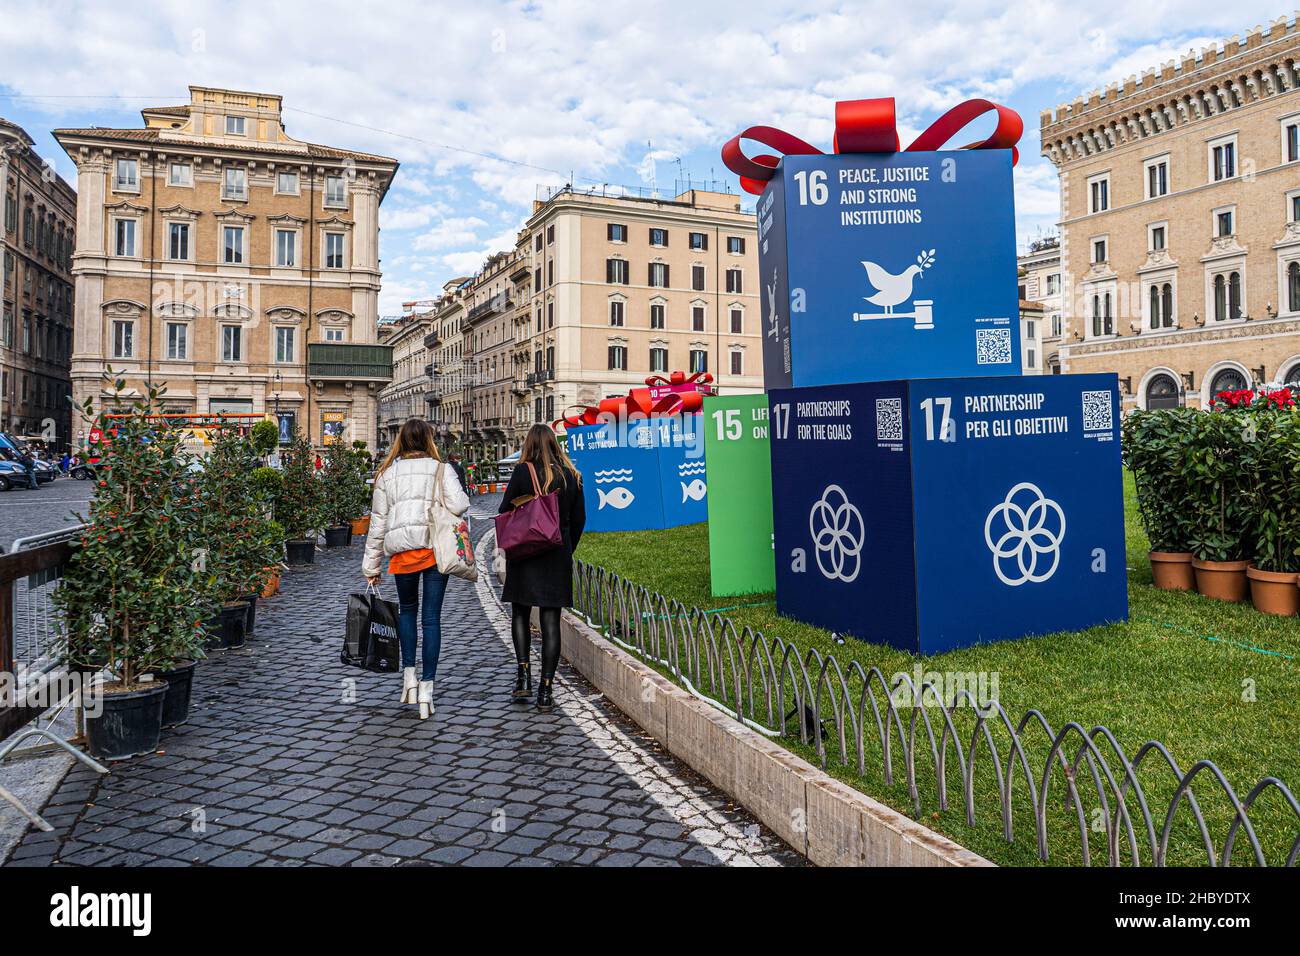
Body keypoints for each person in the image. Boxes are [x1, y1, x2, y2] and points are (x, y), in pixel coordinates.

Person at [362, 418, 469, 720]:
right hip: (435, 551)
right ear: (429, 441)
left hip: (403, 554)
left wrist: (371, 566)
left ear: (401, 441)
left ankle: (408, 676)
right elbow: (460, 505)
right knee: (431, 620)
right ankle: (427, 689)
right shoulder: (441, 469)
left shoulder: (387, 474)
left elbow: (378, 523)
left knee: (408, 611)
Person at [497, 423, 585, 711]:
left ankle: (523, 678)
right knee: (550, 621)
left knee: (520, 613)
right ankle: (546, 690)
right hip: (557, 554)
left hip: (525, 553)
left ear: (530, 445)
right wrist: (565, 549)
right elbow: (579, 519)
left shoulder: (524, 471)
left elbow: (504, 510)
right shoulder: (573, 475)